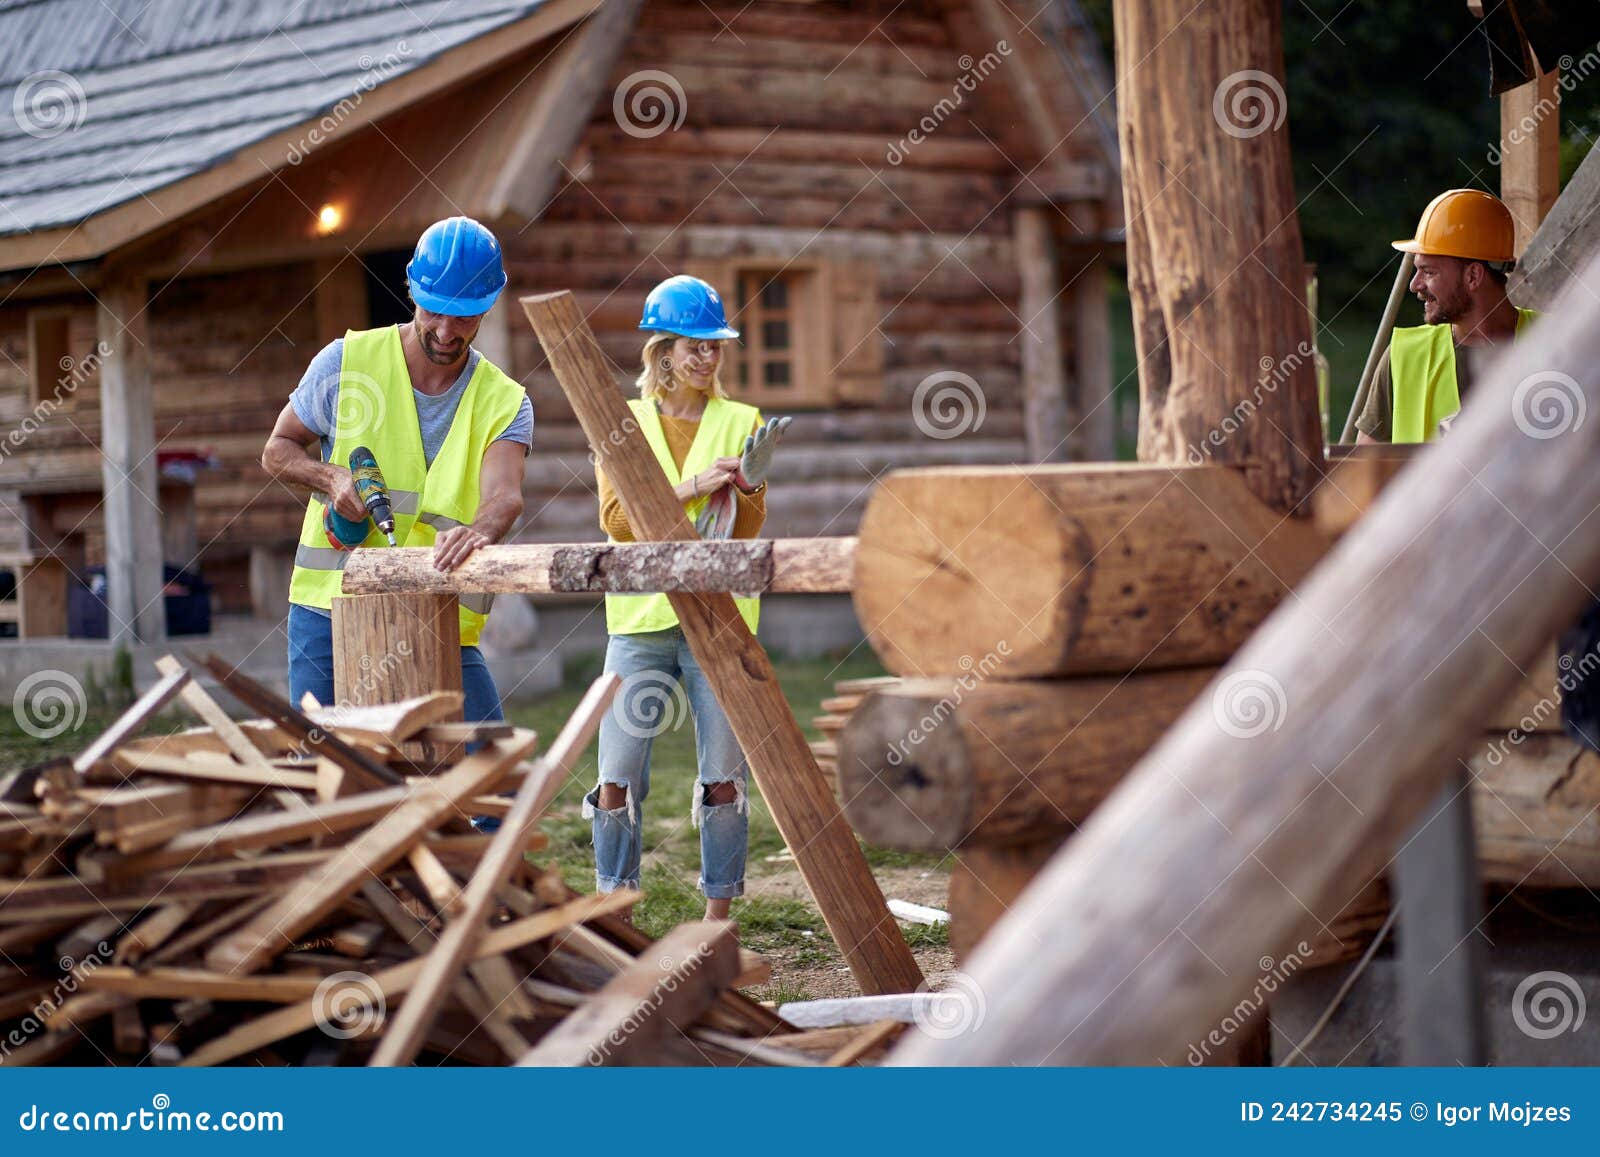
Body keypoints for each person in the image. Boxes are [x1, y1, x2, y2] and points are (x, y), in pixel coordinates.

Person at [261, 216, 533, 720]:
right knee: (331, 768)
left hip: (439, 615)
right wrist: (332, 477)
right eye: (435, 312)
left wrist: (477, 532)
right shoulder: (346, 363)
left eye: (466, 317)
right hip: (331, 609)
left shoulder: (505, 402)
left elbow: (505, 496)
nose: (448, 332)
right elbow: (277, 449)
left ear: (490, 305)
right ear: (412, 289)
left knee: (485, 773)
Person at [587, 275, 767, 921]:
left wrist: (744, 490)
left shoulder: (743, 420)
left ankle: (717, 921)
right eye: (693, 346)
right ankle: (616, 913)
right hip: (639, 621)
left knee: (723, 776)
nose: (706, 359)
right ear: (660, 352)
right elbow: (617, 519)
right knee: (617, 776)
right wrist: (693, 486)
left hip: (719, 621)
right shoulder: (623, 424)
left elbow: (747, 532)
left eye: (715, 347)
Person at [1356, 189, 1538, 443]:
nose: (1414, 285)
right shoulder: (1403, 357)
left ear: (1473, 276)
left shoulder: (1560, 339)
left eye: (1428, 272)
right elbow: (1367, 474)